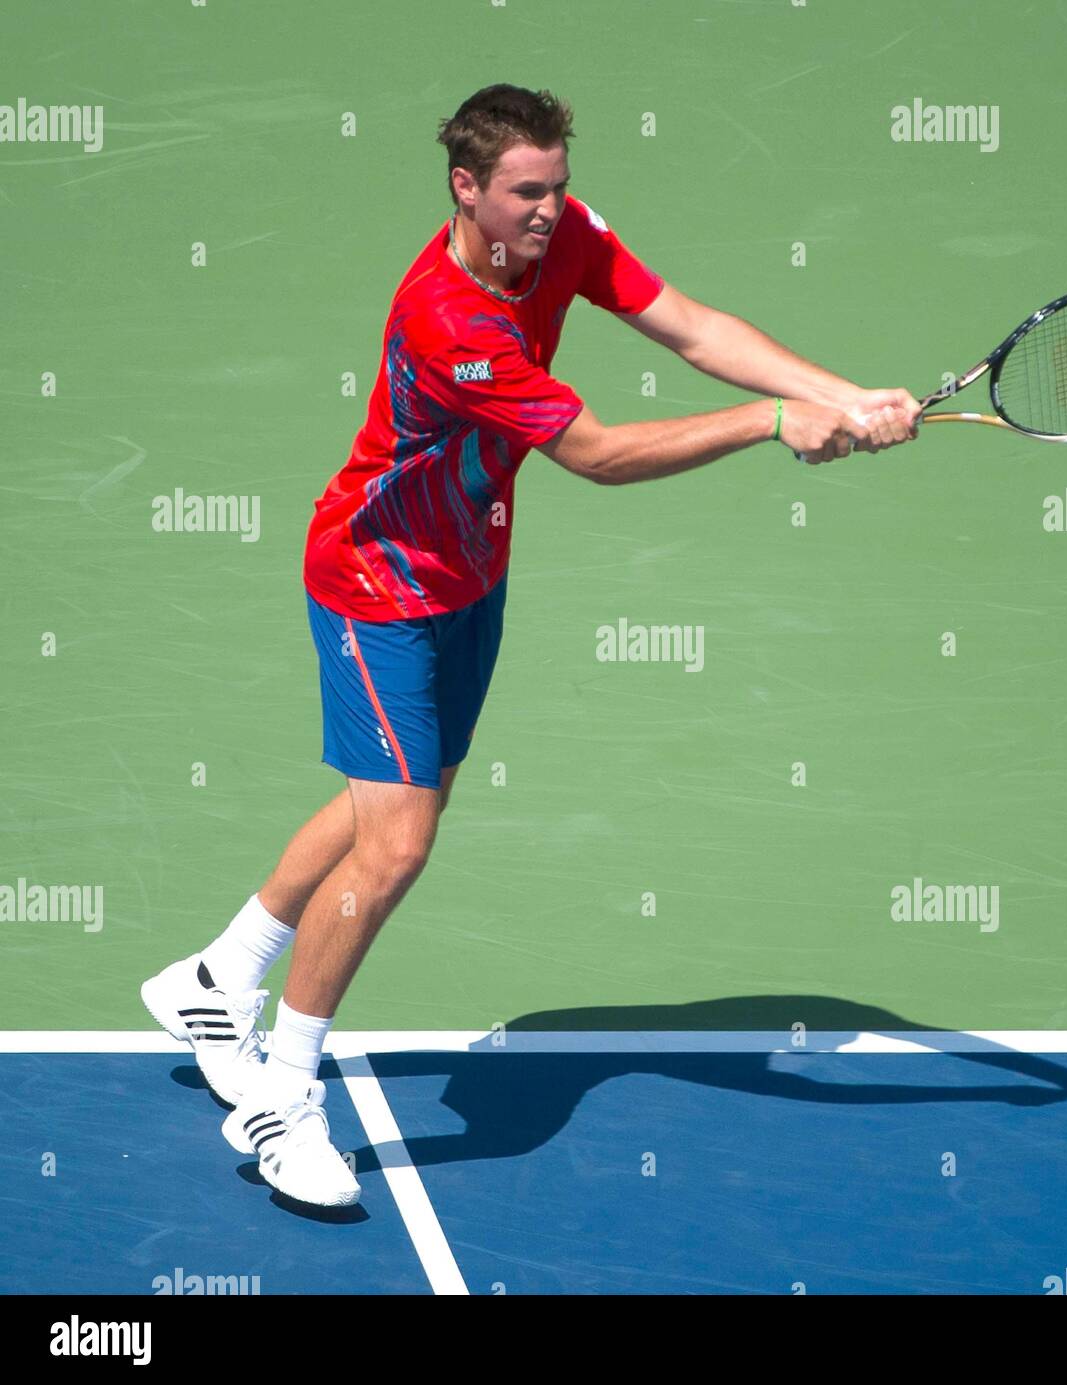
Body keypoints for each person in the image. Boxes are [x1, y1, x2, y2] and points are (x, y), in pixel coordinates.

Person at [140, 84, 922, 1208]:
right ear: (468, 188)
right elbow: (597, 454)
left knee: (399, 799)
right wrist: (769, 422)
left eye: (557, 186)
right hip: (379, 583)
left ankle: (221, 973)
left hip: (469, 569)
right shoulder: (447, 319)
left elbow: (689, 325)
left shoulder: (562, 234)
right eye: (526, 192)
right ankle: (285, 1093)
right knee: (398, 842)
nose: (551, 210)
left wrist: (836, 394)